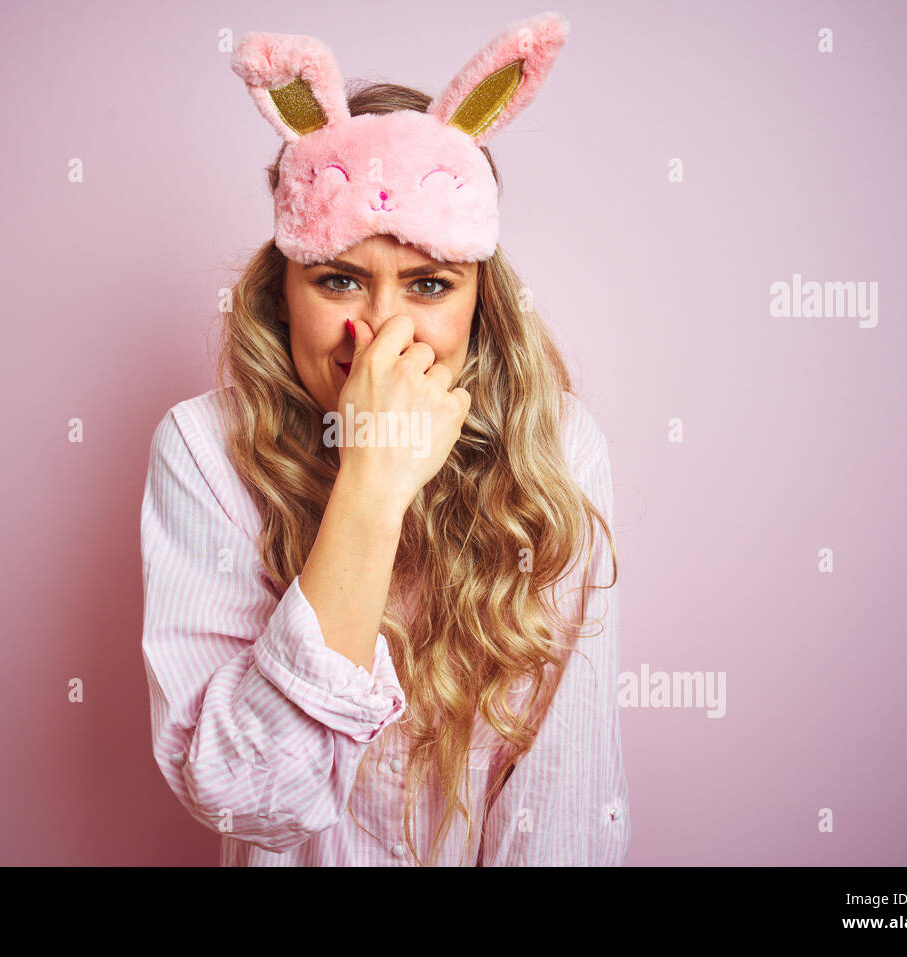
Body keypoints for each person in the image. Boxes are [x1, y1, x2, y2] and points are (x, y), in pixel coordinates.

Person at [140, 11, 629, 866]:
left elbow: (563, 801)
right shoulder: (204, 450)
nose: (380, 332)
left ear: (479, 301)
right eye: (338, 280)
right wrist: (371, 482)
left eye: (429, 284)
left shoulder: (558, 447)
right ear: (284, 290)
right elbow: (245, 793)